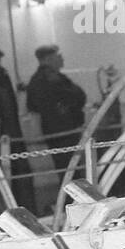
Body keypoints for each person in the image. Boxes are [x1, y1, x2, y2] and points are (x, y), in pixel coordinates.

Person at [0, 46, 36, 209]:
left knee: (20, 168)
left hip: (11, 129)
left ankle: (26, 204)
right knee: (6, 169)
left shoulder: (2, 77)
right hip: (1, 132)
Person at [25, 45, 88, 181]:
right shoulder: (51, 79)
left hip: (58, 132)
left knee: (68, 170)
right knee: (70, 171)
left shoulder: (38, 80)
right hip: (64, 132)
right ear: (48, 59)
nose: (61, 59)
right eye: (58, 56)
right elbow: (78, 96)